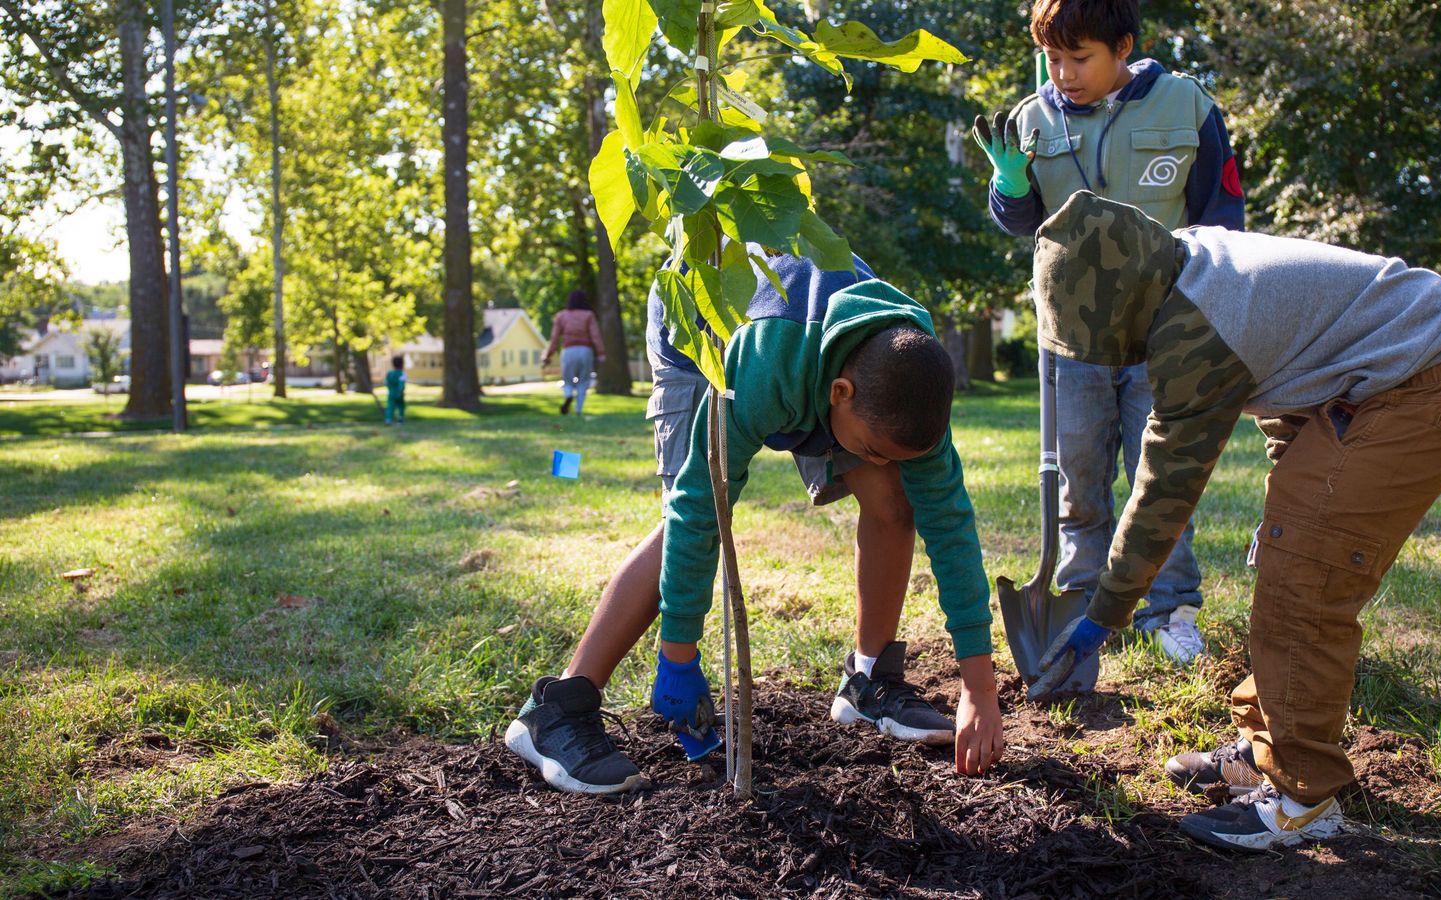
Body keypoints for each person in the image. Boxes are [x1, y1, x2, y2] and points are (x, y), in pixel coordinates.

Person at [1028, 191, 1441, 851]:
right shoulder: (1188, 261)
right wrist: (1293, 499)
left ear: (1122, 301)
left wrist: (1104, 613)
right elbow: (1295, 376)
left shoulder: (1194, 326)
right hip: (1381, 380)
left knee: (1304, 575)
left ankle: (1302, 798)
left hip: (1431, 379)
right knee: (1289, 555)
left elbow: (1167, 484)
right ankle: (1265, 749)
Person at [504, 251, 1005, 794]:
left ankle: (867, 679)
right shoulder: (768, 361)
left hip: (818, 355)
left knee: (894, 498)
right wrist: (678, 651)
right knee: (689, 523)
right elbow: (699, 504)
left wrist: (979, 687)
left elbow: (952, 531)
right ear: (840, 394)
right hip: (703, 328)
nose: (879, 461)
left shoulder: (910, 382)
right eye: (872, 448)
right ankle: (556, 711)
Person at [973, 0, 1245, 665]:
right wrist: (1009, 186)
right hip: (1072, 340)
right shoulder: (1031, 119)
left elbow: (1223, 212)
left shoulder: (1186, 107)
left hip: (1163, 333)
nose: (1063, 73)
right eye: (1053, 58)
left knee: (1160, 479)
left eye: (1080, 57)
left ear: (1122, 46)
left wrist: (1205, 307)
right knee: (1079, 482)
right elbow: (1018, 216)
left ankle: (1170, 609)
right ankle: (1081, 605)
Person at [544, 290, 606, 416]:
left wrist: (547, 355)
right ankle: (578, 410)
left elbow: (554, 338)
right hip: (585, 351)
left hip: (568, 351)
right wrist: (601, 352)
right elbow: (595, 335)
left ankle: (568, 395)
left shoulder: (561, 316)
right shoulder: (588, 315)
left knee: (567, 381)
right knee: (584, 381)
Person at [384, 355, 406, 425]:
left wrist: (390, 388)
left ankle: (388, 419)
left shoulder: (389, 373)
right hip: (399, 393)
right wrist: (400, 391)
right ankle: (400, 419)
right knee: (401, 406)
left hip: (391, 393)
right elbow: (401, 383)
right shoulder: (402, 373)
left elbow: (386, 382)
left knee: (390, 406)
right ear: (402, 364)